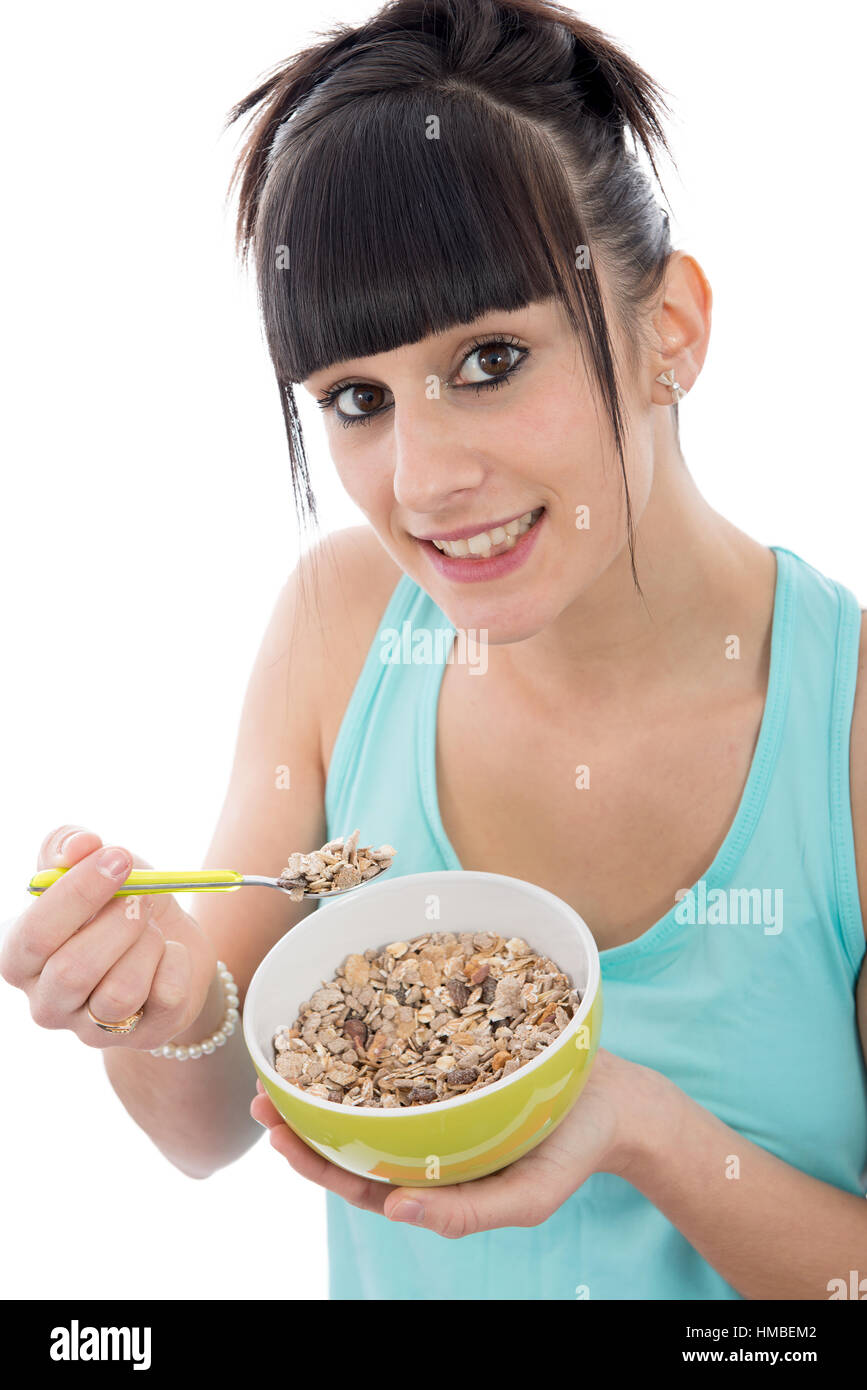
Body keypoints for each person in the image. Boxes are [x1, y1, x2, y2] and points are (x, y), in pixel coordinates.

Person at [3, 0, 866, 1301]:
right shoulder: (341, 627)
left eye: (493, 358)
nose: (423, 479)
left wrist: (637, 1127)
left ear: (671, 329)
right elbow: (208, 1123)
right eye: (357, 398)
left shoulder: (844, 729)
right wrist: (169, 1008)